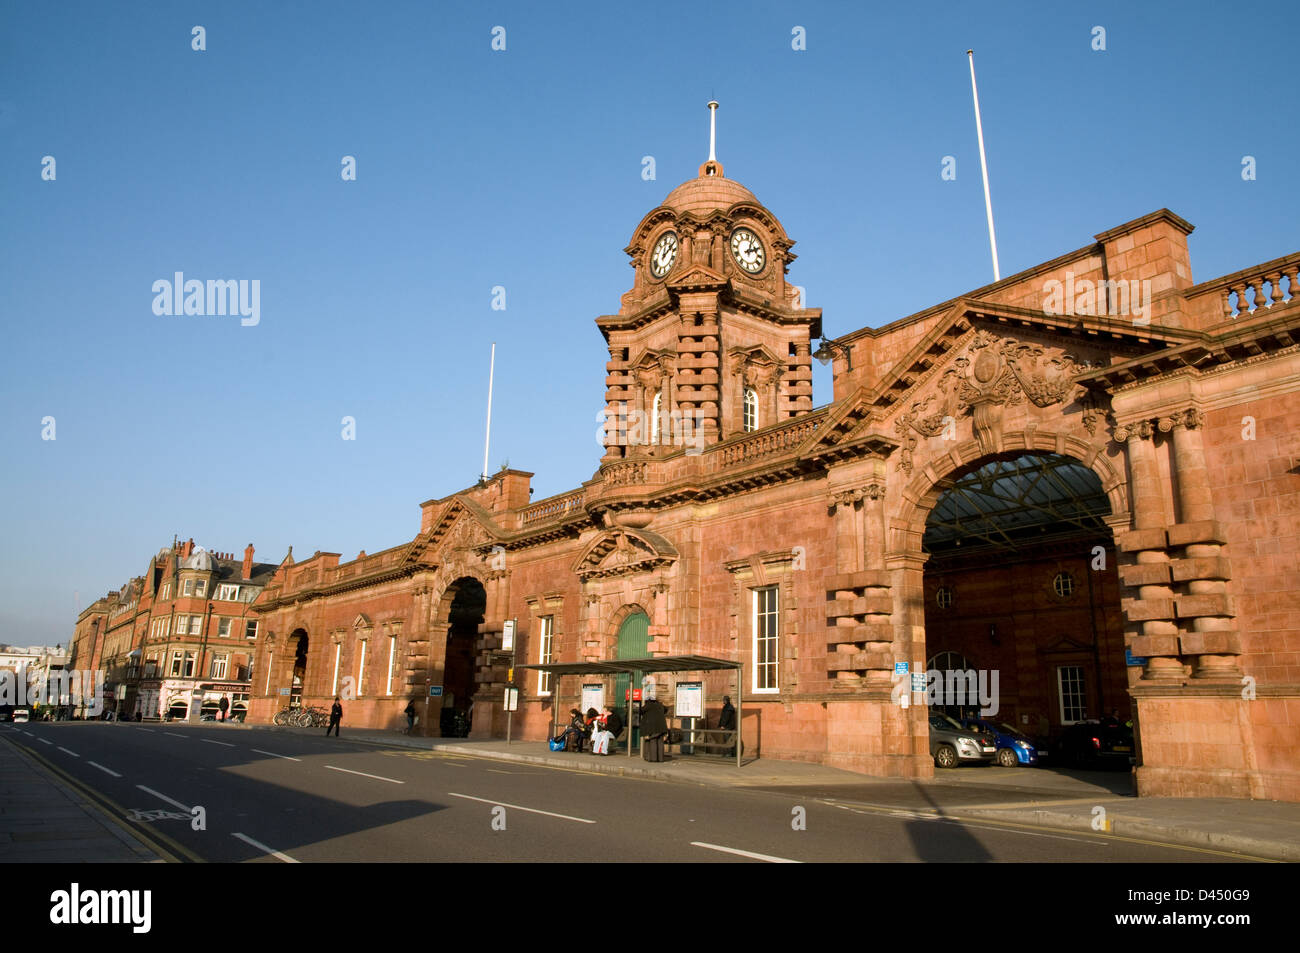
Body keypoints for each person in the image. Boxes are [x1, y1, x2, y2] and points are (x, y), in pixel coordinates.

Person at [640, 696, 668, 762]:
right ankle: (661, 758)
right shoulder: (660, 705)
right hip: (662, 726)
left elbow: (641, 710)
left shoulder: (649, 705)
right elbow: (666, 709)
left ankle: (654, 758)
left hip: (653, 727)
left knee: (653, 740)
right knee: (660, 742)